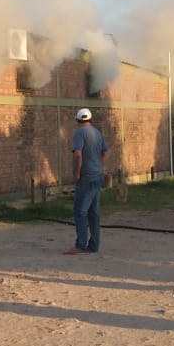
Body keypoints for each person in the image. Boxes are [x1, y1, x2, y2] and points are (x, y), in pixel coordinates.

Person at [64, 107, 108, 255]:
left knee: (80, 211)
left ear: (77, 120)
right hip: (97, 176)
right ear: (90, 119)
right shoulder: (97, 133)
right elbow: (104, 152)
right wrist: (99, 167)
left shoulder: (79, 133)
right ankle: (94, 245)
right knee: (94, 213)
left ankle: (80, 244)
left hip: (86, 177)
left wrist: (77, 173)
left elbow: (77, 154)